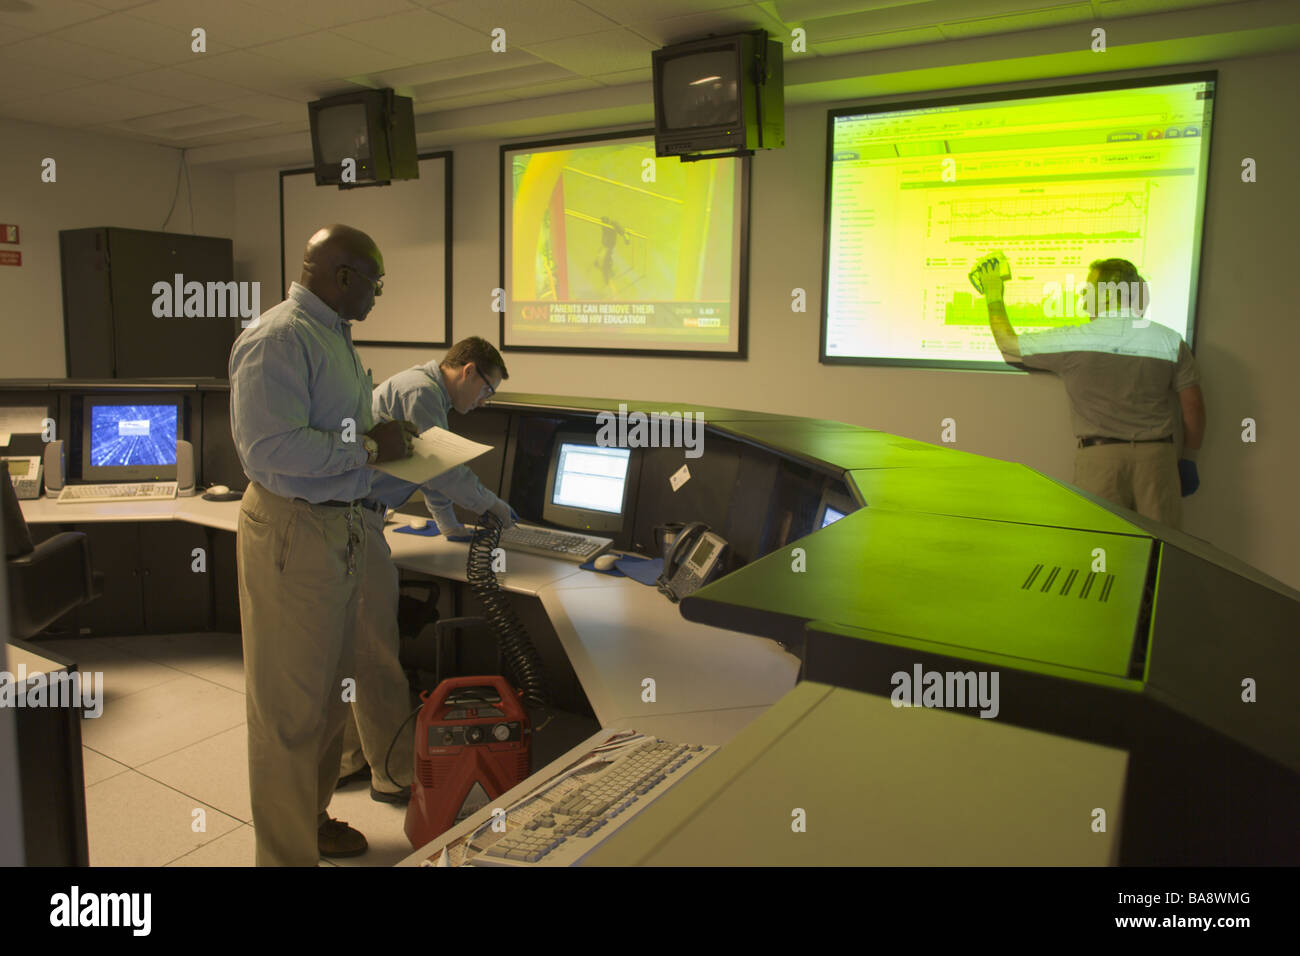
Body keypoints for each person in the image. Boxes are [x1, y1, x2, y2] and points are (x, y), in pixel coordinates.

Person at [229, 224, 417, 866]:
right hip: (293, 529)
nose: (377, 296)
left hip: (342, 526)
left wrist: (379, 436)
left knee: (332, 693)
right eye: (375, 283)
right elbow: (270, 449)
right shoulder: (276, 339)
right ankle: (283, 857)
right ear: (342, 276)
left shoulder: (332, 335)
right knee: (288, 711)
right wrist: (367, 447)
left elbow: (331, 431)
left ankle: (309, 820)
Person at [337, 337, 518, 802]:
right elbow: (441, 469)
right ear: (469, 371)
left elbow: (425, 464)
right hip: (356, 520)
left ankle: (351, 759)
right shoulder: (423, 391)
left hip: (358, 517)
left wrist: (449, 525)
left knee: (357, 649)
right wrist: (494, 506)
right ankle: (392, 774)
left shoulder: (423, 390)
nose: (482, 403)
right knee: (376, 652)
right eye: (486, 391)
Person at [976, 255, 1206, 530]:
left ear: (1107, 295)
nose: (1084, 298)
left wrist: (992, 292)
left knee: (1100, 547)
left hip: (1099, 462)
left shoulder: (1074, 339)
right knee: (1161, 551)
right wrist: (1189, 460)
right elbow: (1193, 406)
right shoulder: (1169, 340)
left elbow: (1008, 345)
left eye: (1088, 290)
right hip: (1157, 462)